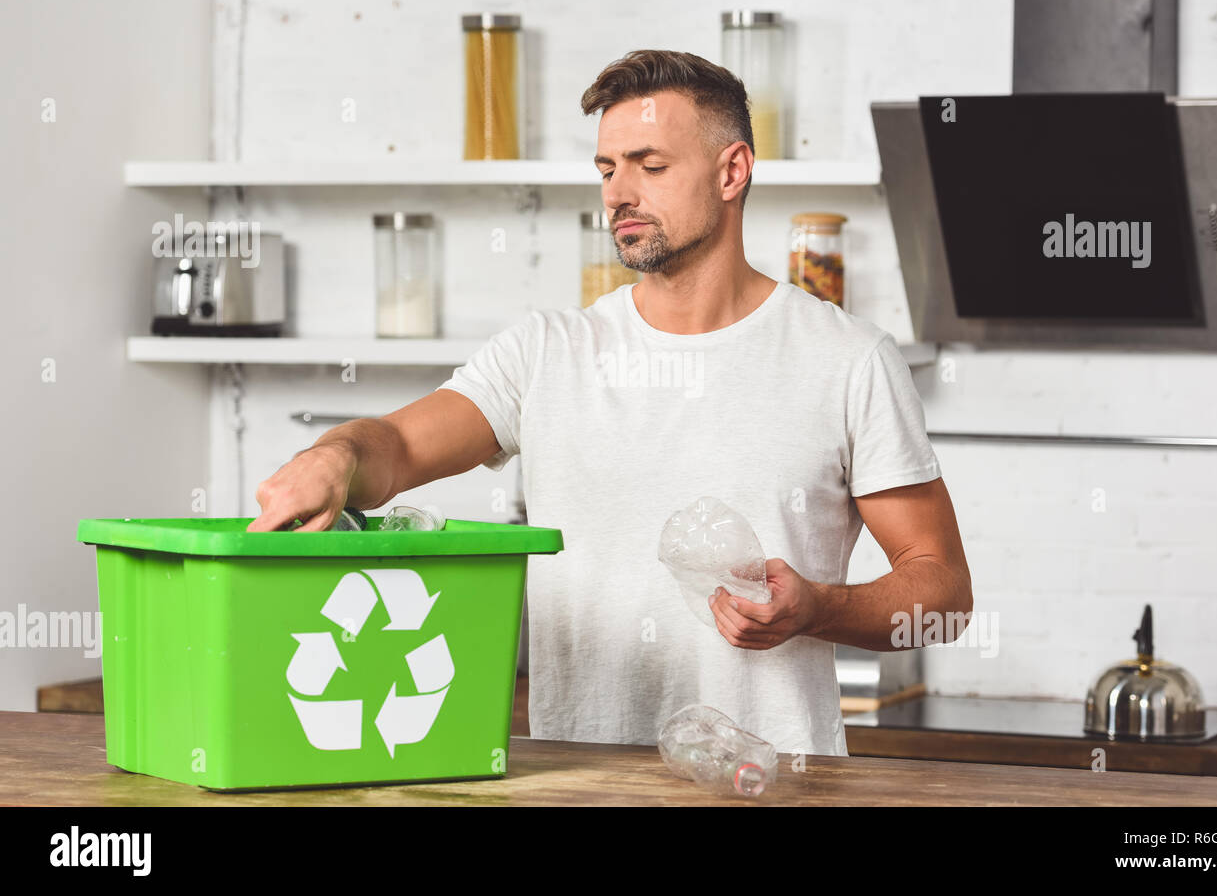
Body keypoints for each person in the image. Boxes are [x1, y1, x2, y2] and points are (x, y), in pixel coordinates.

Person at [249, 49, 973, 757]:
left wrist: (822, 607)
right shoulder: (547, 352)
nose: (619, 193)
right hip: (583, 784)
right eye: (607, 168)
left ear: (733, 170)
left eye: (651, 166)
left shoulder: (848, 359)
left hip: (772, 786)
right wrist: (335, 455)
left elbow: (942, 592)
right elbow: (398, 448)